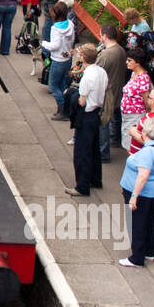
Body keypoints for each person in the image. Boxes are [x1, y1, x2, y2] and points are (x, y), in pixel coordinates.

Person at [119, 118, 154, 268]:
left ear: (146, 133)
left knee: (137, 224)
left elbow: (143, 175)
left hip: (143, 193)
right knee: (150, 221)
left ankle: (137, 257)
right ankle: (149, 252)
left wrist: (134, 196)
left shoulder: (148, 152)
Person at [65, 44, 108, 196]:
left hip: (86, 114)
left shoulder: (87, 77)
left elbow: (82, 101)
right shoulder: (101, 72)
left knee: (81, 151)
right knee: (94, 149)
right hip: (96, 112)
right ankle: (95, 179)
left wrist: (71, 94)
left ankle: (81, 186)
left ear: (83, 58)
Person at [97, 23, 127, 163]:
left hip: (107, 93)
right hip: (118, 89)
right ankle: (115, 140)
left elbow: (97, 73)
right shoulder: (121, 50)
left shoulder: (106, 55)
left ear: (105, 36)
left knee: (104, 122)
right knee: (115, 117)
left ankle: (103, 153)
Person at [42, 3, 75, 118]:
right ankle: (64, 110)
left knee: (53, 86)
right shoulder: (70, 24)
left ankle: (62, 109)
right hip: (67, 58)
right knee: (62, 85)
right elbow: (72, 40)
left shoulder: (55, 28)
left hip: (58, 59)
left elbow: (55, 46)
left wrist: (44, 43)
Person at [120, 50, 152, 150]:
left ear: (137, 62)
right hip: (127, 115)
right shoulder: (133, 74)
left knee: (132, 143)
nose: (127, 62)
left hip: (136, 115)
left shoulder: (143, 78)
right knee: (127, 140)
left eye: (129, 60)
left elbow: (146, 100)